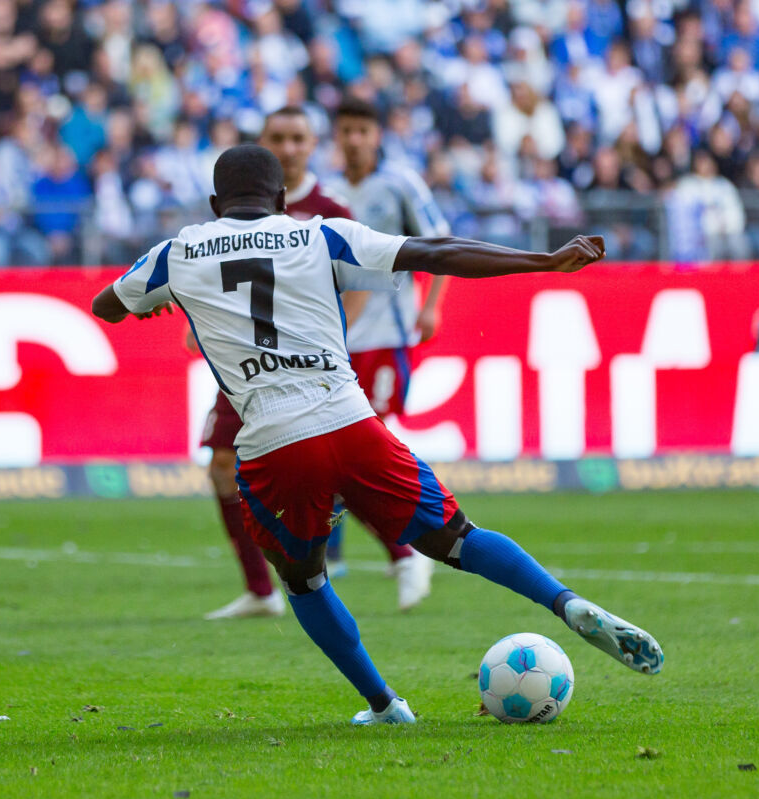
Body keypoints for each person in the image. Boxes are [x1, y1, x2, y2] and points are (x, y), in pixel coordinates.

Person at [91, 144, 663, 724]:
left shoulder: (178, 252)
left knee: (304, 578)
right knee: (457, 537)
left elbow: (106, 305)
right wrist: (541, 260)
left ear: (215, 204)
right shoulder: (320, 235)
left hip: (271, 441)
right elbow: (435, 251)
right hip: (349, 419)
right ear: (283, 199)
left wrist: (155, 302)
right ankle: (566, 603)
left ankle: (386, 705)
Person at [197, 106, 423, 619]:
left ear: (313, 144)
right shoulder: (232, 210)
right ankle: (260, 592)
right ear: (263, 141)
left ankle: (403, 553)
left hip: (308, 367)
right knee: (220, 466)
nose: (290, 146)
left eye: (299, 137)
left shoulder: (329, 208)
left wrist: (325, 339)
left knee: (335, 467)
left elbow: (360, 285)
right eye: (279, 137)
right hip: (245, 367)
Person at [326, 96, 449, 593]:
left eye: (362, 130)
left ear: (376, 134)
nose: (354, 139)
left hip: (387, 335)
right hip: (334, 341)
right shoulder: (327, 192)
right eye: (346, 130)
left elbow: (439, 242)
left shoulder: (400, 184)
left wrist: (433, 304)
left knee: (358, 448)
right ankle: (332, 556)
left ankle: (410, 549)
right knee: (333, 448)